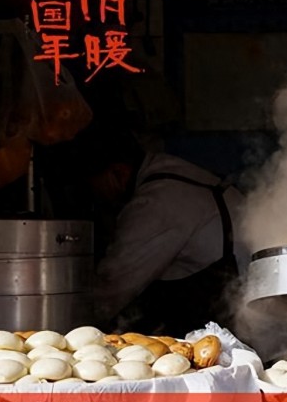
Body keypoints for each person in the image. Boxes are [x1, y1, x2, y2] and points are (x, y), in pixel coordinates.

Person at [74, 123, 244, 337]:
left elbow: (114, 284)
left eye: (96, 186)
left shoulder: (156, 201)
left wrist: (74, 325)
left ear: (118, 172)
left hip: (243, 313)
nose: (98, 196)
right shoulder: (166, 171)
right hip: (234, 300)